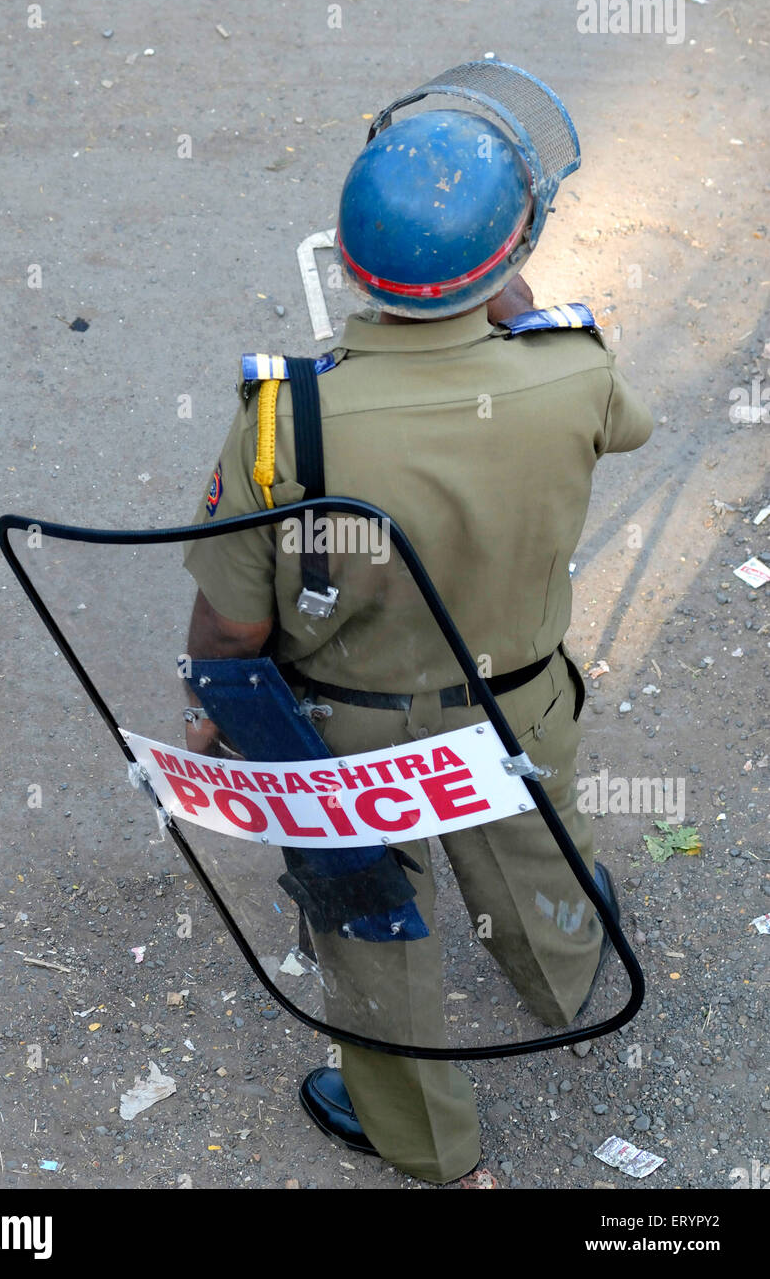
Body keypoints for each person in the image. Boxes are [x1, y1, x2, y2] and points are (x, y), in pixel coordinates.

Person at [180, 78, 653, 1186]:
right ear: (506, 260)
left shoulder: (286, 417)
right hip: (516, 698)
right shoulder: (572, 368)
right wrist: (510, 299)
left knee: (369, 924)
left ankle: (421, 1136)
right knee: (535, 843)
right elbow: (622, 420)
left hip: (356, 736)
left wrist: (216, 700)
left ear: (348, 263)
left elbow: (234, 619)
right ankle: (565, 975)